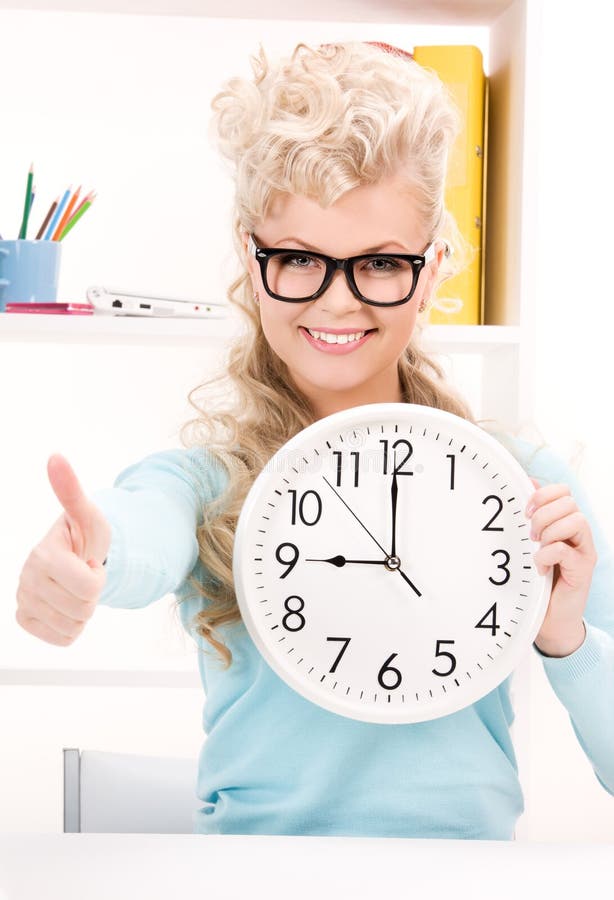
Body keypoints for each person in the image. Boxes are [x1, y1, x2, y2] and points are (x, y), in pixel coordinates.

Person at [15, 40, 614, 839]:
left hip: (465, 882)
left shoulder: (521, 485)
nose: (337, 303)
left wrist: (566, 637)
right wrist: (92, 557)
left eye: (381, 265)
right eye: (299, 258)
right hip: (255, 881)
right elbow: (139, 529)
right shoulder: (207, 484)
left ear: (432, 269)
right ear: (251, 257)